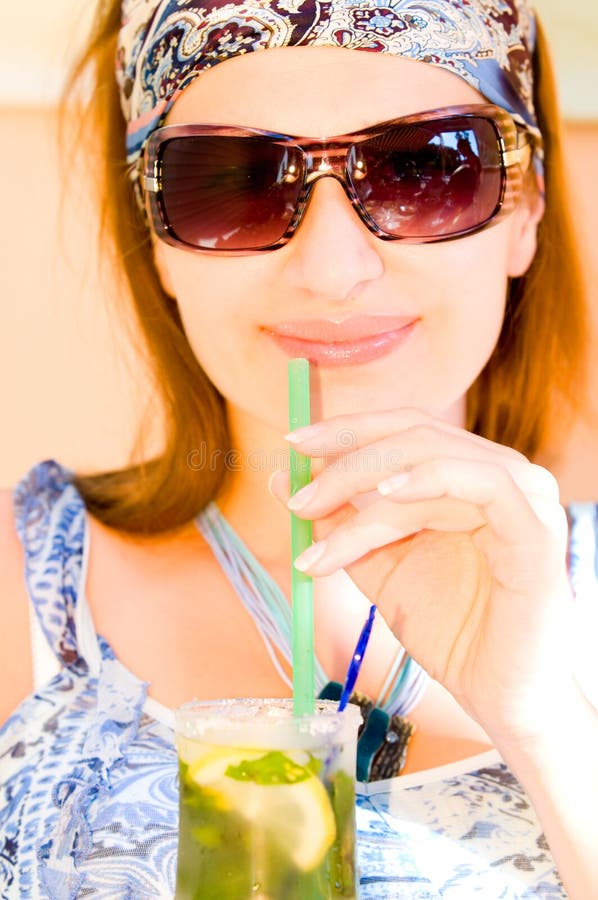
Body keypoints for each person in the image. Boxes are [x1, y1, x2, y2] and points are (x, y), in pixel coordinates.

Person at [1, 0, 597, 897]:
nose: (332, 271)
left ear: (526, 209)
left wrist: (545, 719)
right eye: (233, 183)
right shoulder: (25, 584)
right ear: (157, 243)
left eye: (423, 167)